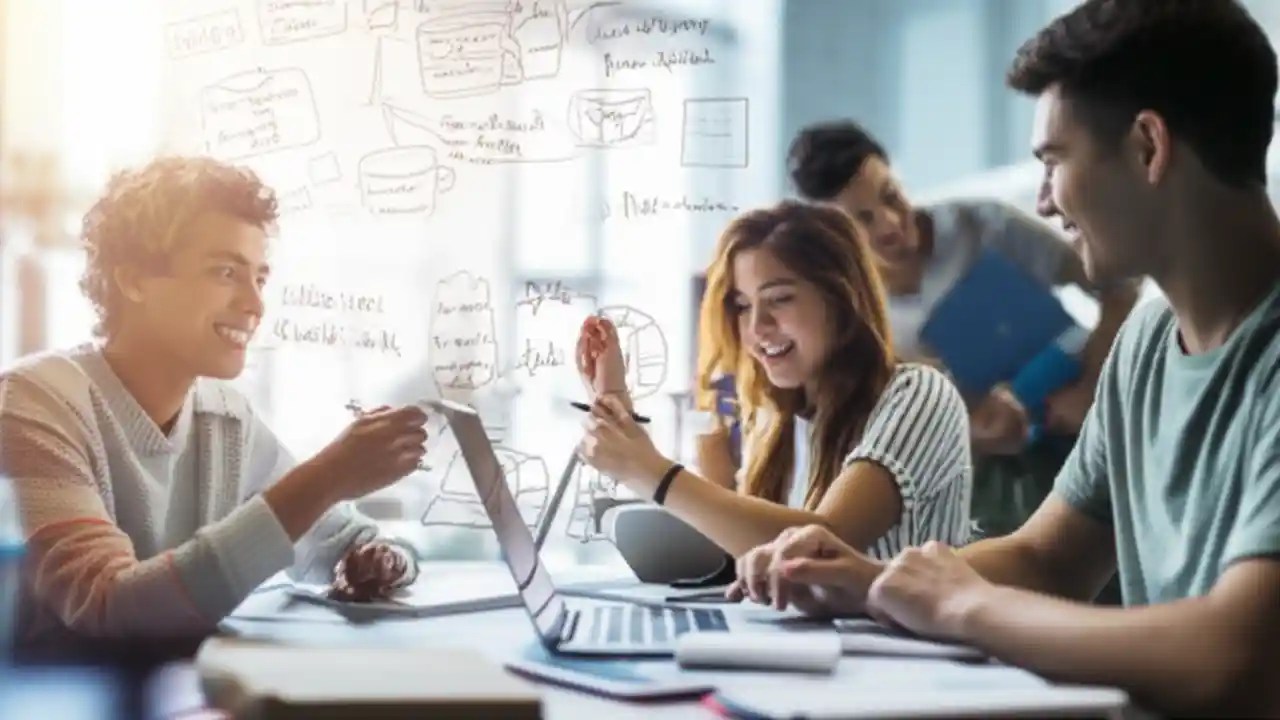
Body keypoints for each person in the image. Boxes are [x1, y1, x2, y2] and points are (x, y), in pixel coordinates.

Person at [738, 0, 1280, 714]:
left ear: (1149, 147)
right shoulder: (1145, 346)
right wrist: (869, 581)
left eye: (1054, 162)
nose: (1046, 201)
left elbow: (1237, 659)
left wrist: (961, 606)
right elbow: (1044, 558)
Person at [0, 157, 428, 655]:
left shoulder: (226, 419)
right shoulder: (34, 402)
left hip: (183, 682)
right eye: (225, 272)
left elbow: (343, 541)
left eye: (259, 278)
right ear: (134, 281)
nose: (255, 304)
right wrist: (325, 476)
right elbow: (106, 602)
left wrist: (381, 561)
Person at [788, 119, 1139, 544]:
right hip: (991, 493)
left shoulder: (985, 226)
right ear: (834, 233)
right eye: (863, 219)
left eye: (891, 195)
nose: (890, 223)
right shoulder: (855, 315)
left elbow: (1119, 285)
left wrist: (1090, 386)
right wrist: (971, 435)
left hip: (1097, 427)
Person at [574, 201, 972, 563]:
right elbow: (725, 544)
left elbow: (824, 545)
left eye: (779, 299)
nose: (757, 327)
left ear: (842, 299)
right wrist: (618, 415)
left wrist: (647, 469)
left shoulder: (920, 394)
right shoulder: (775, 421)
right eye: (742, 306)